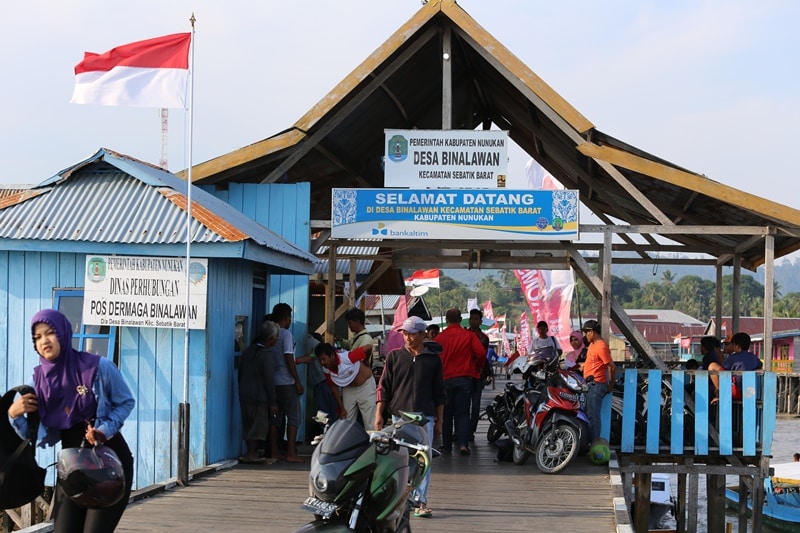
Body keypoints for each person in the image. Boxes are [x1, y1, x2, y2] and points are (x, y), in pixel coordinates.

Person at [8, 309, 135, 533]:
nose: (44, 341)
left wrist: (104, 430)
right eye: (37, 337)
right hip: (72, 467)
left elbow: (125, 402)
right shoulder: (38, 381)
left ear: (63, 334)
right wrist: (14, 414)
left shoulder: (98, 367)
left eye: (50, 333)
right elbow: (31, 434)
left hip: (109, 462)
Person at [375, 315, 445, 519]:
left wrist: (440, 420)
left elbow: (440, 393)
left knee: (424, 461)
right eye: (405, 333)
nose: (407, 337)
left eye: (412, 333)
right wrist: (379, 414)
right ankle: (400, 499)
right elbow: (384, 388)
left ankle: (420, 501)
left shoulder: (433, 360)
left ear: (423, 334)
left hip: (425, 419)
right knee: (401, 461)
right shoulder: (394, 357)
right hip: (400, 418)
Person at [437, 308, 486, 455]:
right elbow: (481, 353)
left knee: (447, 414)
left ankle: (446, 446)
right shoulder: (469, 336)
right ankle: (463, 444)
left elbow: (435, 359)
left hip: (445, 379)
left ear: (446, 320)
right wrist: (477, 367)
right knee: (463, 413)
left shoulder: (439, 338)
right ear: (460, 320)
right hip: (465, 378)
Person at [266, 303, 304, 463]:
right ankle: (290, 452)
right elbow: (289, 357)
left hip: (273, 383)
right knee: (294, 417)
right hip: (286, 382)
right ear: (286, 318)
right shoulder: (286, 334)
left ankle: (274, 451)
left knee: (275, 418)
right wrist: (297, 381)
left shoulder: (270, 332)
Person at [238, 320, 280, 463]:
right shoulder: (266, 355)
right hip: (259, 396)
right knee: (257, 425)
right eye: (276, 337)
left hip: (245, 393)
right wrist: (273, 401)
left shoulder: (249, 350)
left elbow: (241, 372)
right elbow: (269, 380)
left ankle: (251, 452)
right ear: (270, 339)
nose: (277, 339)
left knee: (248, 423)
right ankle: (251, 453)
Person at [314, 342, 376, 427]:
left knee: (370, 420)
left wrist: (366, 360)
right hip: (349, 388)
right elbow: (333, 387)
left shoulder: (348, 357)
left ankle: (373, 439)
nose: (322, 363)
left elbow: (369, 346)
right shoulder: (326, 369)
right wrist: (341, 407)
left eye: (324, 359)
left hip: (366, 386)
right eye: (320, 360)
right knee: (346, 420)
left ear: (332, 355)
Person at [295, 332, 337, 433]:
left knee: (322, 410)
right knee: (329, 409)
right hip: (323, 383)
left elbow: (310, 357)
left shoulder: (316, 347)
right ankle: (330, 431)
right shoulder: (317, 345)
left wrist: (295, 361)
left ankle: (326, 431)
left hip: (322, 383)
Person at [581, 319, 615, 443]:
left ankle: (594, 443)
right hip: (589, 384)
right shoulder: (592, 344)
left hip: (597, 384)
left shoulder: (601, 345)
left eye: (586, 332)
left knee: (593, 416)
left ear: (591, 332)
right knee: (588, 415)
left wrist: (610, 385)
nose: (585, 335)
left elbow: (611, 366)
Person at [708, 332, 763, 402]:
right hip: (750, 392)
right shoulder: (754, 357)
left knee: (712, 366)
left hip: (736, 392)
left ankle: (721, 394)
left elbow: (724, 370)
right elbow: (760, 365)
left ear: (737, 346)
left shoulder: (733, 357)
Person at [467, 308, 490, 443]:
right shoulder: (464, 334)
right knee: (463, 405)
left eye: (476, 319)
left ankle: (471, 431)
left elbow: (483, 356)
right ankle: (461, 431)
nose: (474, 321)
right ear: (469, 320)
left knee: (475, 405)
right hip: (465, 373)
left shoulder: (484, 338)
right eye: (472, 318)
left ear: (480, 321)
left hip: (478, 374)